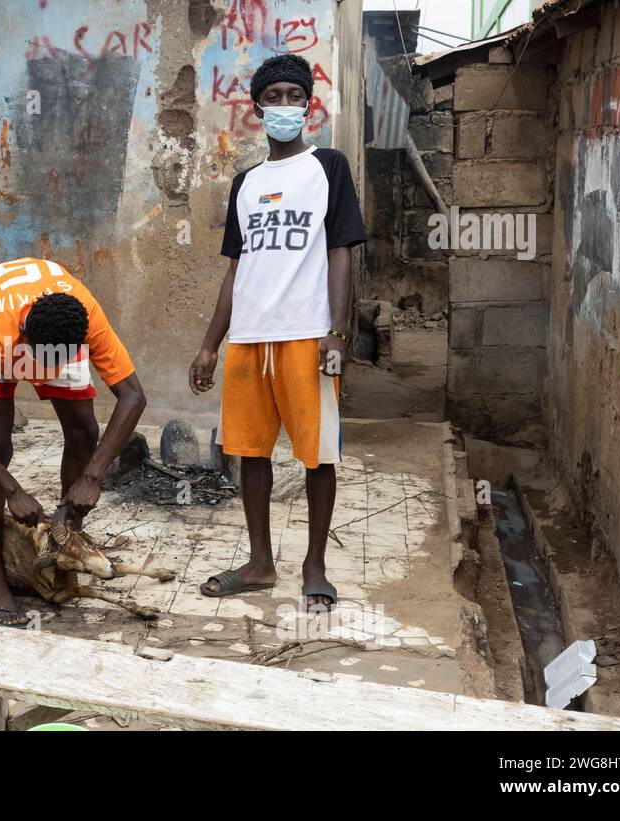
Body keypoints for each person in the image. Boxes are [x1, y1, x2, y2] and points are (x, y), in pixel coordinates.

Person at [188, 54, 367, 611]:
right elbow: (236, 270)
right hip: (247, 339)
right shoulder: (245, 184)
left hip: (306, 336)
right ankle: (261, 563)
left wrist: (336, 331)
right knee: (251, 452)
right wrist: (210, 343)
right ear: (258, 106)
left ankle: (314, 564)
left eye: (295, 95)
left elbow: (340, 253)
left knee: (318, 454)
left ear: (308, 105)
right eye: (275, 96)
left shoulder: (329, 167)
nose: (285, 105)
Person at [0, 257, 146, 628]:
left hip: (50, 332)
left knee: (84, 431)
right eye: (44, 360)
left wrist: (92, 478)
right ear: (27, 335)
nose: (46, 370)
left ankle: (65, 536)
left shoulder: (84, 315)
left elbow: (133, 396)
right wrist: (13, 491)